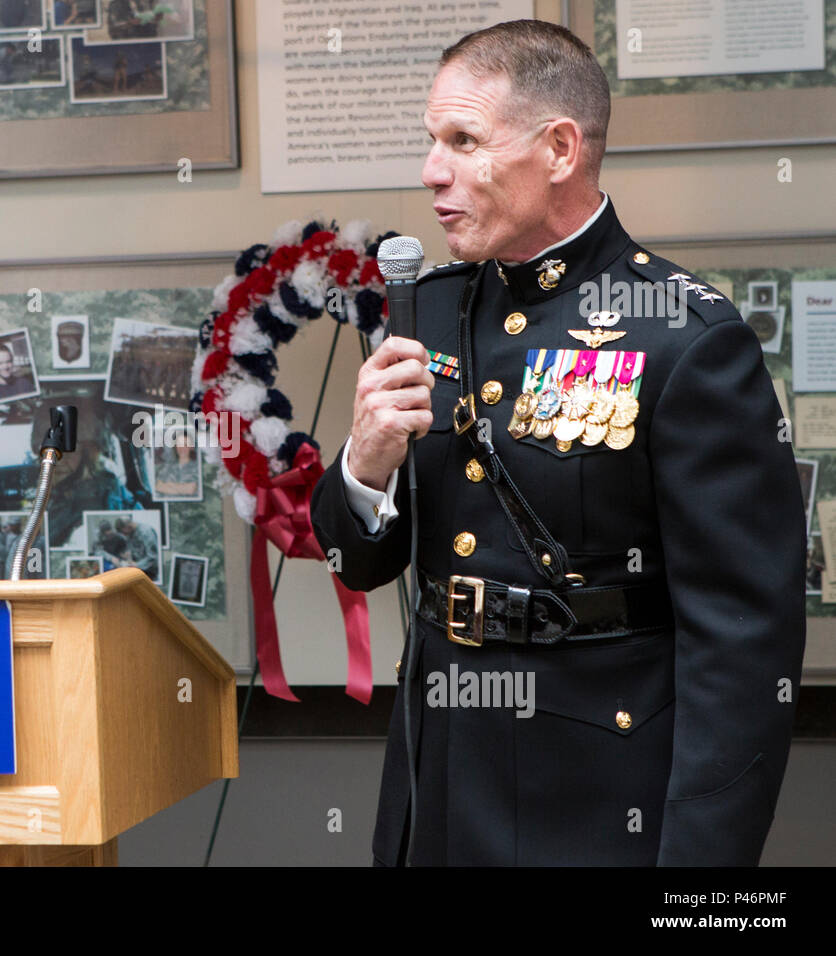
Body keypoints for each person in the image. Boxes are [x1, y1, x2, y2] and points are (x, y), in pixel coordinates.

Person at [309, 19, 805, 867]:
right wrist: (363, 465)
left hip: (600, 799)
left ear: (562, 149)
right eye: (433, 141)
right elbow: (358, 564)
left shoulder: (683, 336)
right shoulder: (428, 312)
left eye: (464, 141)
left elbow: (743, 650)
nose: (433, 172)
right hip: (440, 784)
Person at [116, 516, 159, 580]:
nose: (124, 535)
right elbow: (132, 548)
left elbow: (153, 556)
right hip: (137, 571)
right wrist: (128, 556)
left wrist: (137, 565)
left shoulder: (146, 532)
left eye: (124, 533)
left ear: (128, 526)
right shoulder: (130, 533)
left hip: (149, 573)